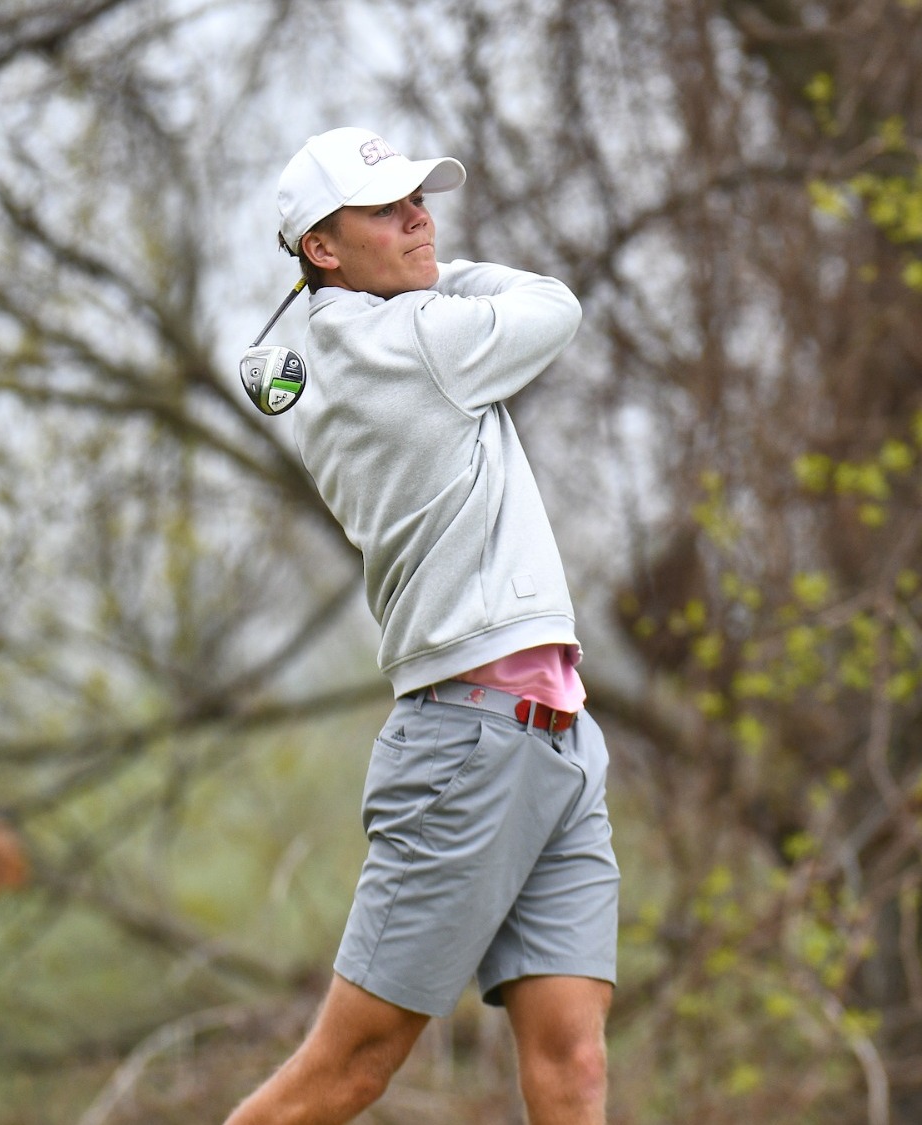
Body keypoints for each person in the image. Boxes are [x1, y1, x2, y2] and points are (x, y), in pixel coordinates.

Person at [224, 128, 618, 1125]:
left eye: (420, 201)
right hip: (467, 742)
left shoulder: (356, 336)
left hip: (558, 740)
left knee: (572, 1062)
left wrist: (410, 276)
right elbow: (553, 306)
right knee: (347, 1069)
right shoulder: (404, 344)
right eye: (386, 210)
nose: (418, 219)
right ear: (320, 248)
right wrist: (435, 282)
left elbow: (329, 333)